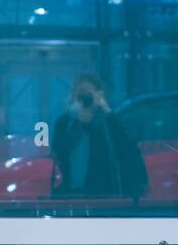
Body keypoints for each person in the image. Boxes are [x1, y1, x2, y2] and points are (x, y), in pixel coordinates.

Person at [49, 73, 148, 201]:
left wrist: (105, 108)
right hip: (69, 194)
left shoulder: (106, 122)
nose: (84, 98)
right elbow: (58, 152)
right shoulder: (65, 122)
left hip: (103, 194)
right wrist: (71, 115)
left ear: (98, 96)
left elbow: (123, 145)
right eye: (80, 93)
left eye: (88, 94)